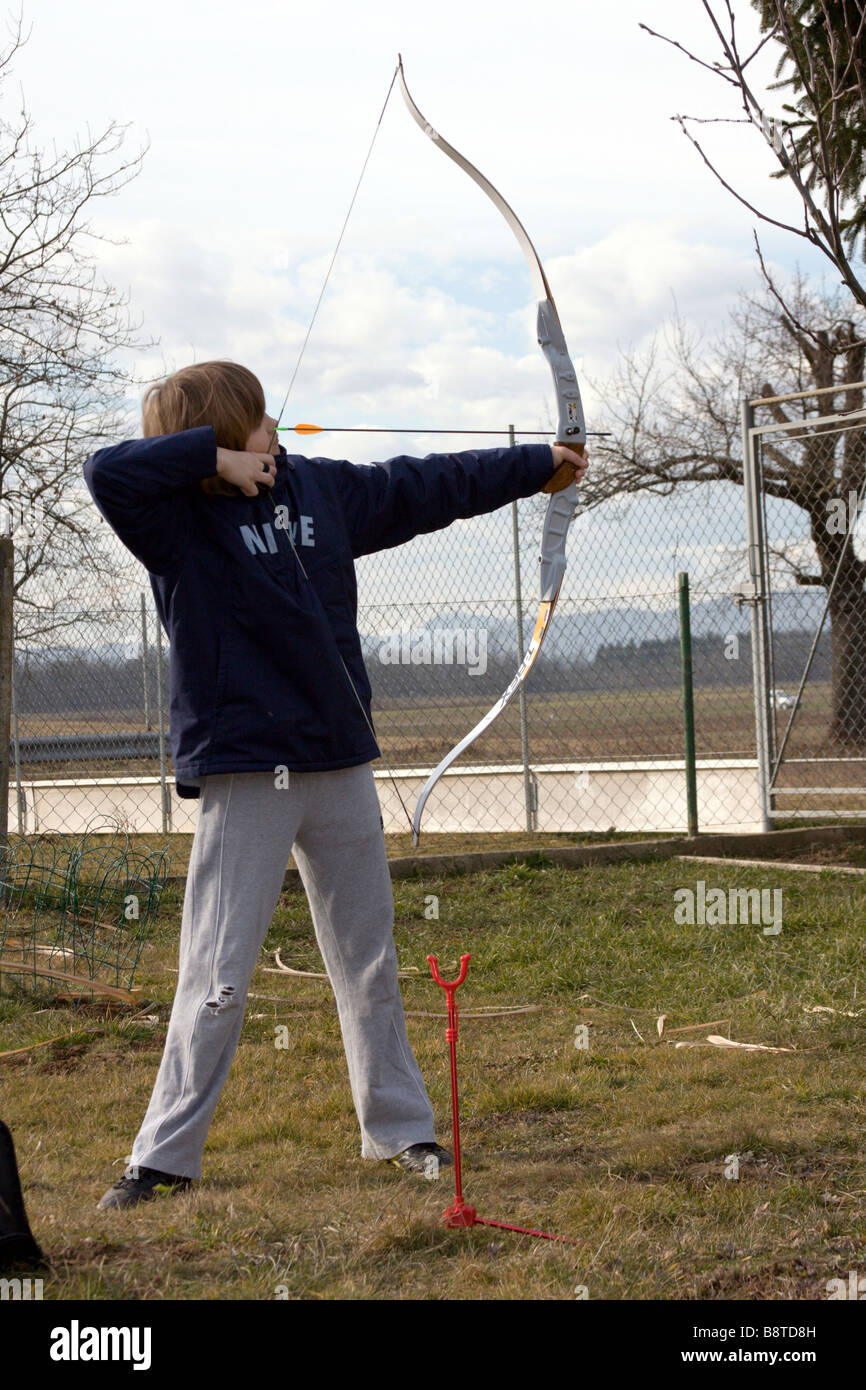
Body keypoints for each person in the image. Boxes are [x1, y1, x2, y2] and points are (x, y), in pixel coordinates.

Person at [83, 360, 587, 1209]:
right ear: (218, 430)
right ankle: (163, 1158)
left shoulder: (318, 491)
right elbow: (106, 471)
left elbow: (425, 485)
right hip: (246, 767)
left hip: (338, 756)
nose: (274, 425)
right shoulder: (172, 520)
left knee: (368, 959)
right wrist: (214, 460)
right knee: (217, 972)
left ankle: (400, 1132)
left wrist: (538, 463)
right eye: (256, 418)